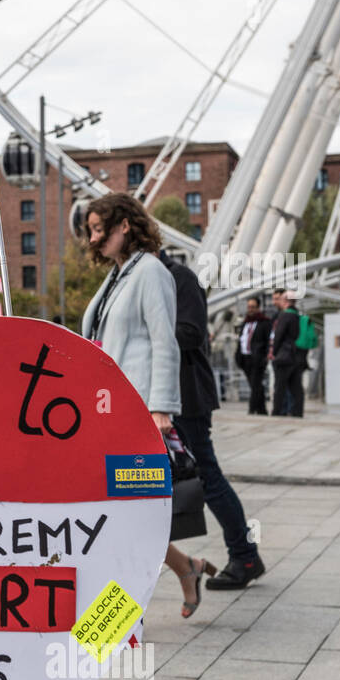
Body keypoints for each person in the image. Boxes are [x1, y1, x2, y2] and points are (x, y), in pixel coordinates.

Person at [79, 194, 209, 616]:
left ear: (124, 227)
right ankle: (185, 568)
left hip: (137, 414)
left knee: (126, 515)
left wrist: (162, 410)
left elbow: (163, 342)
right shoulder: (119, 276)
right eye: (91, 231)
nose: (93, 239)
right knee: (120, 512)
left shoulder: (151, 272)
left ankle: (115, 616)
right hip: (108, 413)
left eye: (100, 229)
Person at [161, 252, 265, 602]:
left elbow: (190, 333)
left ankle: (246, 556)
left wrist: (148, 329)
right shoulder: (141, 278)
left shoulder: (180, 278)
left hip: (186, 396)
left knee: (209, 478)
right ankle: (236, 557)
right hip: (165, 396)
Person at [269, 288, 304, 417]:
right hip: (297, 355)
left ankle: (277, 412)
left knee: (280, 387)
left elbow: (278, 335)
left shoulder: (285, 315)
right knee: (296, 387)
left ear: (285, 301)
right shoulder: (298, 315)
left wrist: (275, 351)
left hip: (284, 356)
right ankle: (298, 412)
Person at [236, 296, 271, 414]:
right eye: (249, 307)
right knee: (255, 385)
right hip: (245, 359)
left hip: (257, 358)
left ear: (258, 308)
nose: (250, 309)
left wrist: (265, 357)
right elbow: (241, 340)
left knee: (256, 384)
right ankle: (262, 410)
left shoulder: (264, 322)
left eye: (253, 307)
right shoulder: (245, 323)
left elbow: (268, 341)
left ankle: (252, 409)